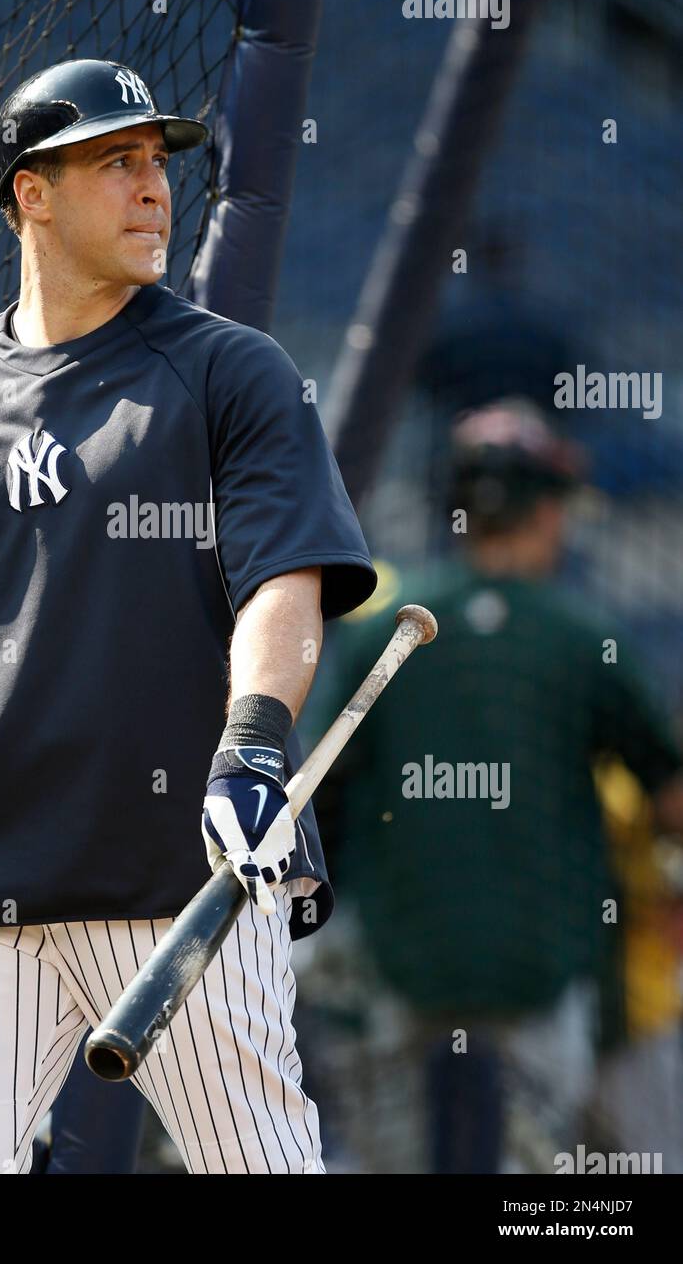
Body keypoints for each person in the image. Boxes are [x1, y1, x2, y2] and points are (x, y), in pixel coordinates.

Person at [0, 59, 376, 1174]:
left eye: (159, 164)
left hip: (183, 882)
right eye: (116, 163)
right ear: (31, 192)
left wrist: (252, 746)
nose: (153, 188)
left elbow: (286, 581)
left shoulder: (230, 373)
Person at [310, 399, 683, 1172]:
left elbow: (319, 791)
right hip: (539, 971)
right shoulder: (581, 635)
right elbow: (671, 793)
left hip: (395, 963)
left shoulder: (388, 627)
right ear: (546, 513)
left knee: (394, 1162)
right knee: (536, 1176)